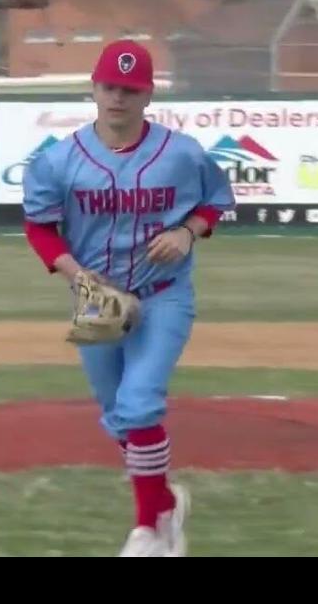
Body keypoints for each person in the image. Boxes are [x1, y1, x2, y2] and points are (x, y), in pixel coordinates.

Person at [21, 40, 236, 556]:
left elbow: (215, 203)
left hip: (164, 294)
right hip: (97, 296)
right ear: (93, 89)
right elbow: (40, 228)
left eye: (130, 89)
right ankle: (165, 504)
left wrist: (187, 233)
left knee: (139, 404)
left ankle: (146, 529)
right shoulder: (59, 161)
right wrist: (78, 278)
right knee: (117, 415)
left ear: (147, 96)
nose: (118, 97)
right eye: (110, 87)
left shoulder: (181, 153)